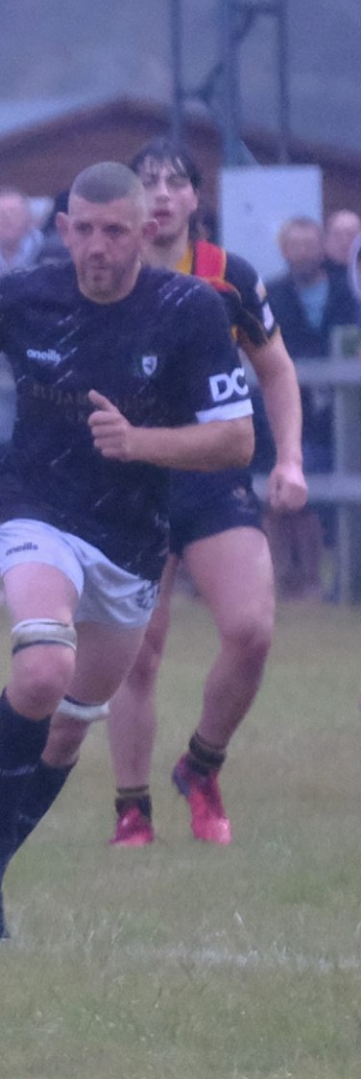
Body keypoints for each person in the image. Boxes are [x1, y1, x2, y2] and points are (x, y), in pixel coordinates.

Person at [0, 162, 253, 943]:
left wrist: (141, 442)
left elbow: (236, 439)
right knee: (42, 669)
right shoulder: (27, 294)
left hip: (132, 541)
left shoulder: (188, 309)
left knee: (67, 729)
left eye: (115, 231)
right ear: (62, 230)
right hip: (37, 511)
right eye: (83, 230)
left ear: (145, 231)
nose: (98, 247)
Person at [100, 139, 308, 848]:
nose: (160, 194)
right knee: (139, 652)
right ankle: (132, 808)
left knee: (251, 632)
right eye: (147, 181)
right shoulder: (108, 273)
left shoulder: (228, 276)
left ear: (195, 197)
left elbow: (276, 370)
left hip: (213, 472)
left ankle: (201, 765)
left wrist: (291, 460)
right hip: (131, 481)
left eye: (174, 182)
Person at [265, 216, 358, 599]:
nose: (303, 253)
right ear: (285, 251)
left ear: (322, 249)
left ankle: (317, 577)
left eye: (309, 244)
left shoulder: (348, 291)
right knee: (279, 490)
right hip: (288, 409)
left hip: (343, 413)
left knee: (323, 495)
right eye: (295, 245)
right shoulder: (270, 295)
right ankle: (283, 576)